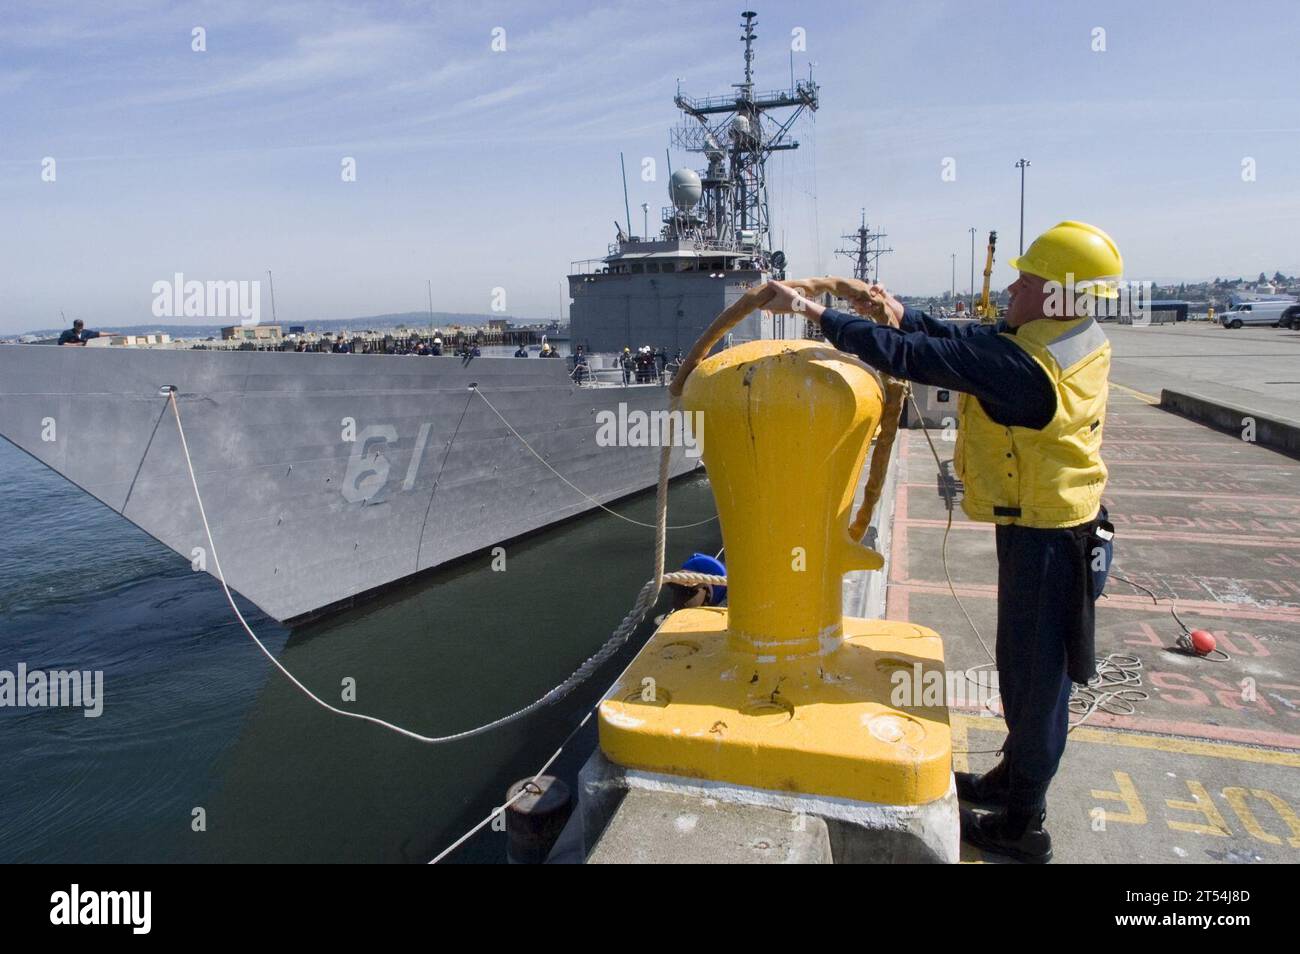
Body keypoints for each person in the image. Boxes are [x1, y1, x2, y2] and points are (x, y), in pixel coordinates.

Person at [765, 220, 1122, 864]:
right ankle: (1011, 781)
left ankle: (1022, 824)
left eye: (1028, 279)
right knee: (1026, 669)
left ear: (1058, 294)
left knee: (1035, 681)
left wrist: (811, 310)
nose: (1013, 286)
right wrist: (901, 311)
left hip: (1051, 540)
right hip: (1052, 527)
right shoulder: (1063, 337)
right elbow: (970, 338)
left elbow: (927, 359)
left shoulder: (1031, 370)